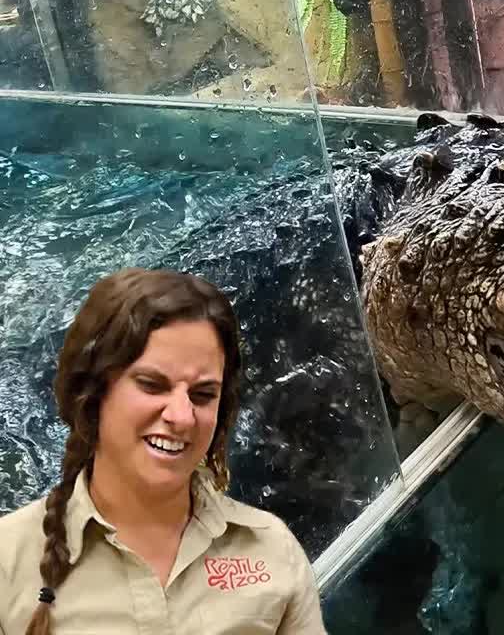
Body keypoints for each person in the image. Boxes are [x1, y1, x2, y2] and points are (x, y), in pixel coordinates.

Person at [0, 268, 327, 634]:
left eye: (203, 395)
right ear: (92, 395)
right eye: (152, 385)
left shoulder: (273, 550)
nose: (182, 416)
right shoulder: (7, 564)